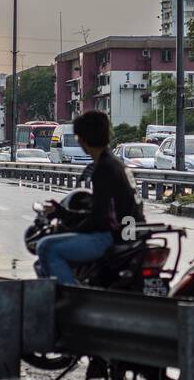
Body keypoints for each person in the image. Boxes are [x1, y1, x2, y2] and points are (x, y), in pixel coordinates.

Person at [36, 111, 141, 286]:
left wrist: (65, 217)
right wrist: (64, 213)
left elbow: (98, 220)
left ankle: (72, 296)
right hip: (129, 233)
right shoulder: (117, 164)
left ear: (83, 139)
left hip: (110, 237)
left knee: (46, 247)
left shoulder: (103, 169)